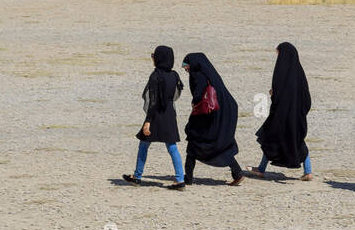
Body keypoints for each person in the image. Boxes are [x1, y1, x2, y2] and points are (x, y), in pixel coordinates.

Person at [123, 46, 185, 189]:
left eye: (154, 56)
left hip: (156, 115)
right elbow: (176, 95)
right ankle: (180, 179)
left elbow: (153, 101)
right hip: (170, 114)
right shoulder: (175, 75)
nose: (152, 58)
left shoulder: (156, 75)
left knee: (144, 144)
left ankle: (137, 176)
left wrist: (148, 121)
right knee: (172, 146)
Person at [250, 41, 313, 180]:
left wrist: (274, 95)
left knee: (270, 138)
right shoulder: (299, 73)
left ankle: (261, 169)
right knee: (297, 140)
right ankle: (308, 171)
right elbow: (306, 98)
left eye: (278, 53)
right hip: (297, 115)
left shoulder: (282, 72)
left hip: (281, 115)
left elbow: (280, 95)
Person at [182, 52, 245, 185]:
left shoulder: (197, 75)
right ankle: (237, 172)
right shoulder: (210, 74)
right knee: (219, 144)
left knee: (193, 144)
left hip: (206, 116)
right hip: (219, 115)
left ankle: (188, 178)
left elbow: (199, 96)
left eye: (187, 66)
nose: (186, 69)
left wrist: (194, 103)